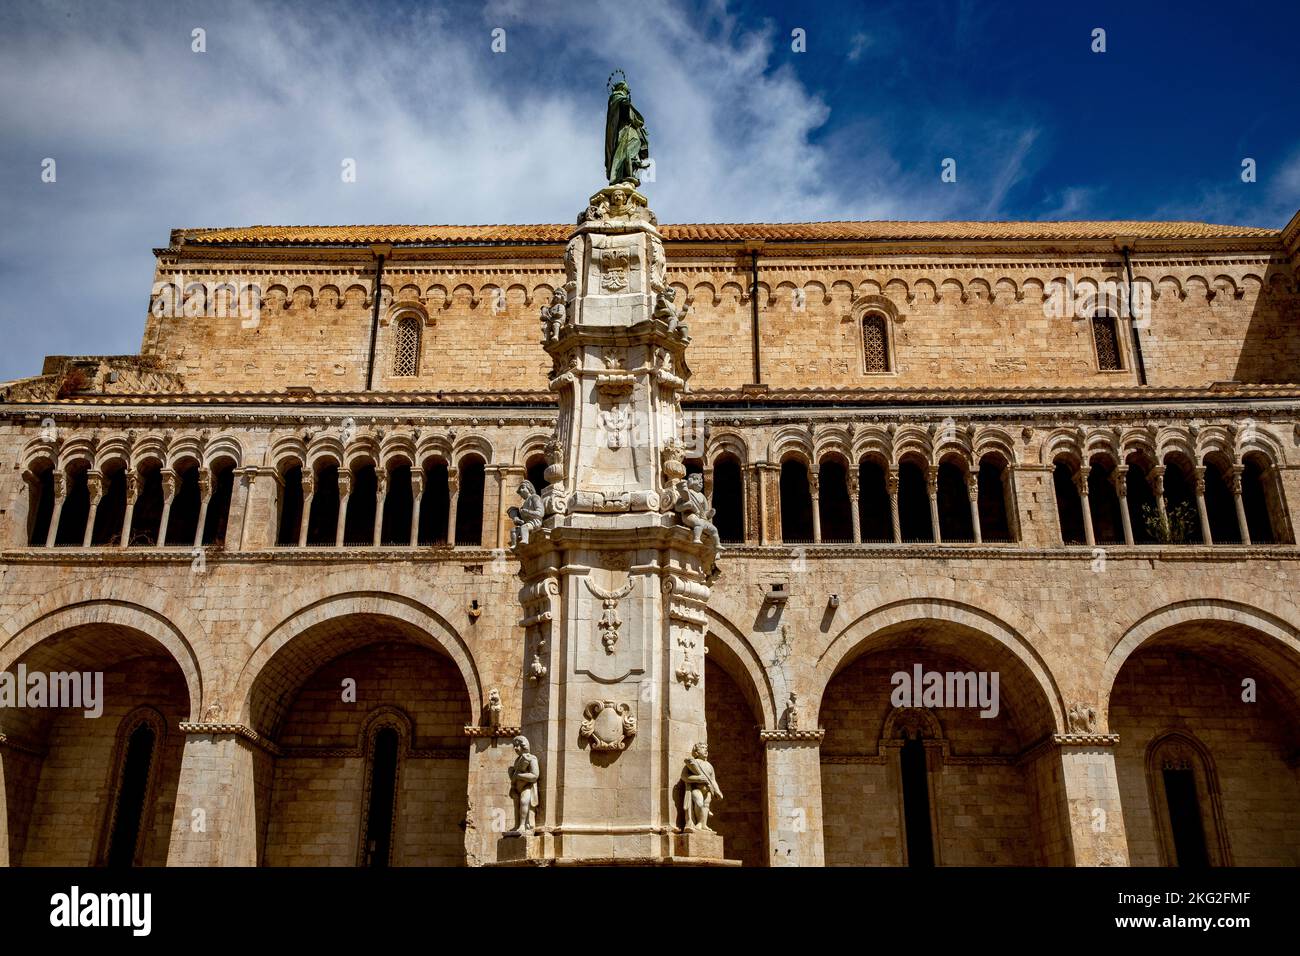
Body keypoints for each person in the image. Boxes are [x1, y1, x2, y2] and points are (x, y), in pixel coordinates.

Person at [680, 741, 722, 831]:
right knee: (699, 803)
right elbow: (684, 777)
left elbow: (713, 780)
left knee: (706, 806)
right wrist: (698, 778)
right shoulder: (693, 763)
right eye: (702, 748)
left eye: (706, 749)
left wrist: (717, 791)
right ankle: (698, 823)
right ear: (697, 752)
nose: (705, 750)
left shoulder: (709, 766)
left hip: (708, 790)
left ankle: (703, 824)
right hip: (696, 789)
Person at [508, 735, 539, 834]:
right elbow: (514, 776)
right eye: (514, 746)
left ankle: (523, 825)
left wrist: (519, 776)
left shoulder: (531, 758)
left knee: (524, 801)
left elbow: (534, 775)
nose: (515, 748)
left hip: (527, 786)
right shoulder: (517, 761)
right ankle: (517, 825)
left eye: (517, 746)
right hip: (517, 788)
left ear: (523, 745)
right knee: (516, 806)